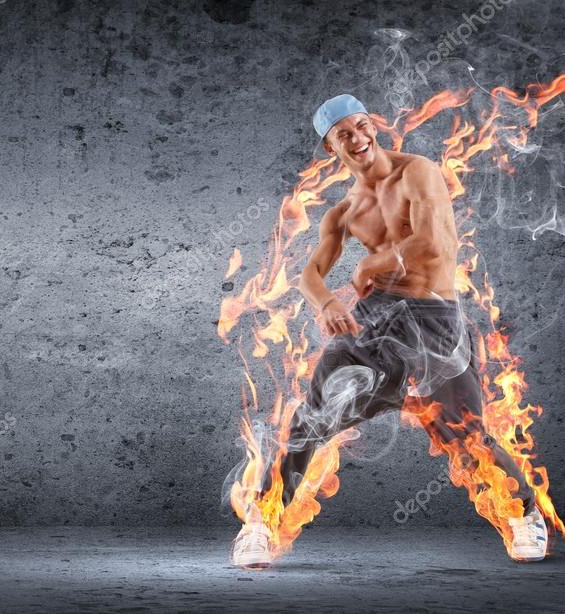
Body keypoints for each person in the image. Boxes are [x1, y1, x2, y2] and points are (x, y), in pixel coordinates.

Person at [230, 94, 547, 568]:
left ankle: (525, 514)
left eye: (360, 126)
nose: (357, 138)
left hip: (433, 317)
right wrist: (329, 301)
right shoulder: (344, 212)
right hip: (374, 322)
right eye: (343, 135)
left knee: (466, 432)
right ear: (330, 148)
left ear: (371, 125)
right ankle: (258, 523)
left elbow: (433, 244)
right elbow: (309, 274)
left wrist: (378, 259)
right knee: (309, 422)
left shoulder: (417, 171)